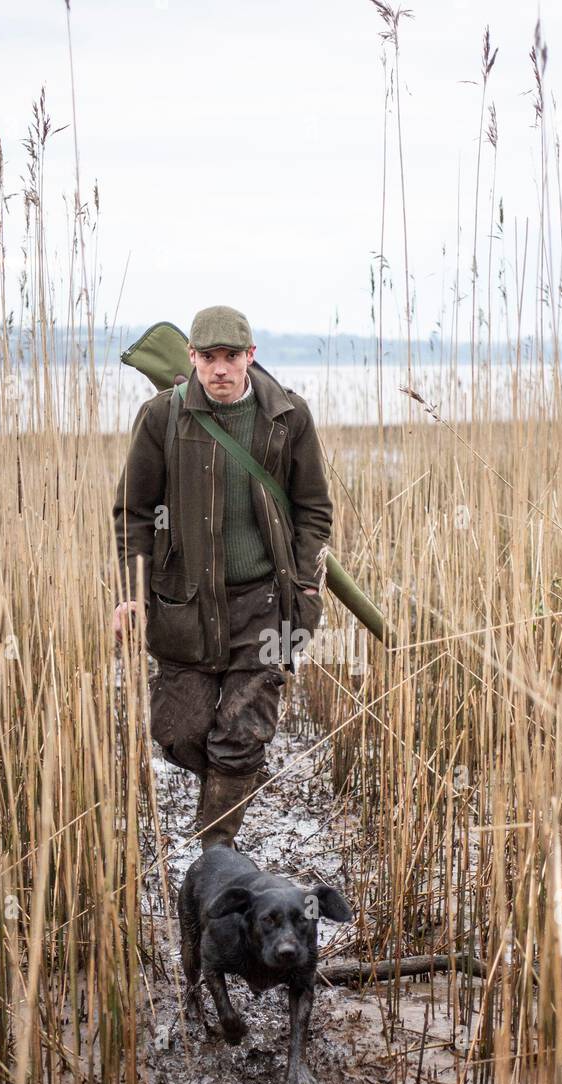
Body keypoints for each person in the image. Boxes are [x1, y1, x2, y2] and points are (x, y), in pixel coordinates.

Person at [112, 305, 333, 849]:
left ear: (249, 356)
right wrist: (131, 594)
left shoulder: (288, 417)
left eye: (230, 356)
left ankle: (215, 856)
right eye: (207, 357)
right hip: (183, 605)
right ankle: (232, 783)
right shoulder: (161, 418)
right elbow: (134, 512)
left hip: (265, 604)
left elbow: (314, 511)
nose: (219, 369)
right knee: (178, 732)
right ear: (191, 358)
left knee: (241, 734)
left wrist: (304, 586)